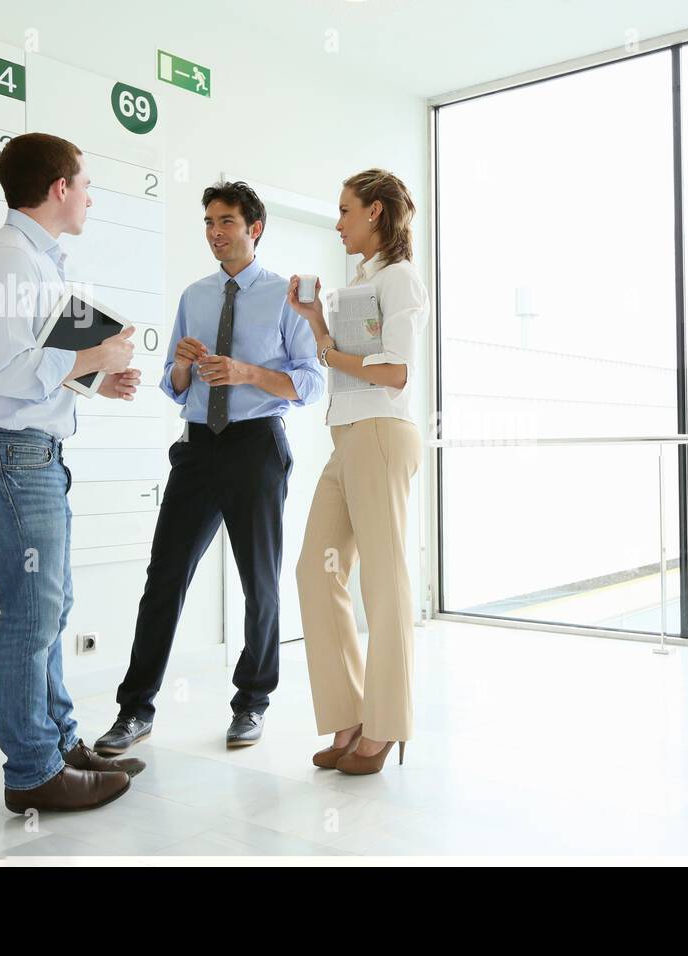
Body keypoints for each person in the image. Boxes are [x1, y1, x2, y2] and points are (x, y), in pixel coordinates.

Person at [95, 181, 324, 753]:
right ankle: (134, 711)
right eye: (208, 222)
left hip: (256, 446)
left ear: (254, 228)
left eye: (226, 222)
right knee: (164, 579)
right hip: (197, 448)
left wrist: (246, 373)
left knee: (259, 583)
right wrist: (180, 366)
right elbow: (174, 386)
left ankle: (252, 703)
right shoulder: (195, 295)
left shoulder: (285, 297)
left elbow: (311, 382)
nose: (215, 233)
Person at [0, 132, 145, 813]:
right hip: (10, 455)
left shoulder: (33, 261)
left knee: (49, 609)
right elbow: (2, 372)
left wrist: (94, 376)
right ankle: (33, 772)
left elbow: (32, 364)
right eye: (85, 184)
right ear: (60, 188)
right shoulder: (7, 261)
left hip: (28, 454)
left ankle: (60, 746)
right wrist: (91, 358)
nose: (90, 196)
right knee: (31, 616)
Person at [290, 169, 427, 775]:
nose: (338, 222)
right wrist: (315, 320)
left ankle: (386, 724)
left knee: (384, 581)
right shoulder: (361, 281)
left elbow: (394, 372)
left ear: (375, 212)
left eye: (346, 210)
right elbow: (343, 361)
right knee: (316, 570)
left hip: (380, 435)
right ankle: (348, 715)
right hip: (346, 436)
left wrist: (330, 350)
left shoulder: (400, 279)